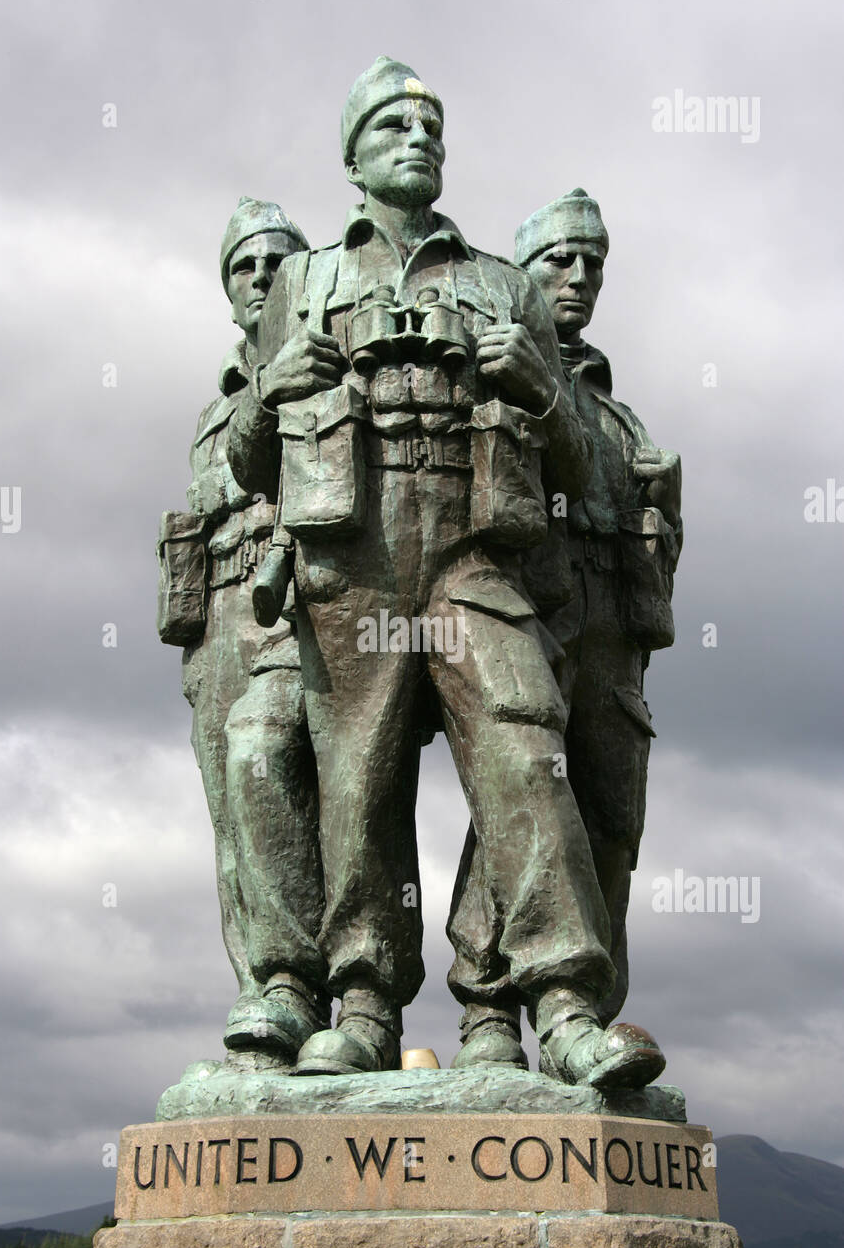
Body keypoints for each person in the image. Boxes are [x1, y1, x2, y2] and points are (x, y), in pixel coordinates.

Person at [228, 59, 665, 1090]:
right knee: (357, 782)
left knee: (525, 753)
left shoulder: (500, 285)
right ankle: (364, 1000)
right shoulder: (303, 282)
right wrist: (269, 392)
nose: (414, 139)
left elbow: (568, 464)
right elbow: (247, 460)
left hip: (473, 554)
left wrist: (540, 393)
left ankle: (558, 1001)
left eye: (428, 124)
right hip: (355, 559)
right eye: (389, 124)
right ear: (352, 154)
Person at [447, 189, 682, 1054]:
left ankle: (588, 1019)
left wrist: (671, 509)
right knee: (519, 799)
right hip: (532, 613)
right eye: (559, 259)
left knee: (612, 821)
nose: (580, 277)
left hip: (614, 640)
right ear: (522, 272)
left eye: (594, 262)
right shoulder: (493, 367)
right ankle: (489, 1007)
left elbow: (655, 575)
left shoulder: (625, 422)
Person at [158, 198, 329, 1062]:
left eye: (276, 262)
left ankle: (309, 985)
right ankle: (262, 1007)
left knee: (273, 766)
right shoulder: (213, 407)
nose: (261, 277)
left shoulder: (324, 366)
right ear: (229, 291)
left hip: (298, 601)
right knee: (232, 824)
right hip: (218, 613)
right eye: (244, 266)